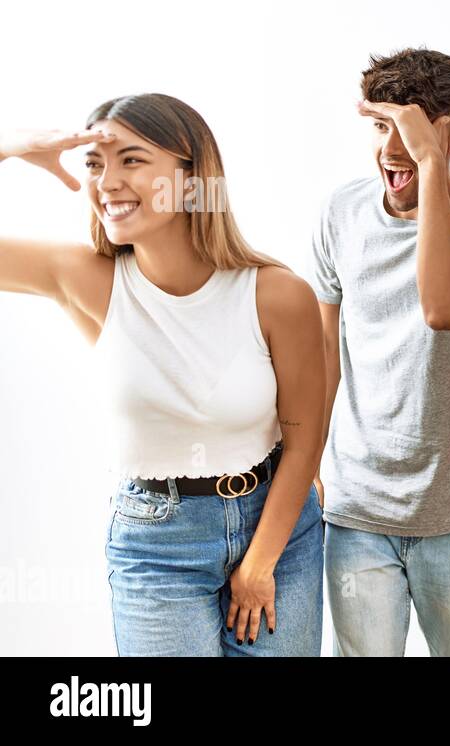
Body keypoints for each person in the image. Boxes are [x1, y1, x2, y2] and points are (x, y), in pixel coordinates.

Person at [0, 93, 326, 655]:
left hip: (279, 530)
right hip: (156, 545)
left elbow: (305, 437)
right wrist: (10, 147)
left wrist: (260, 562)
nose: (106, 182)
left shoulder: (277, 293)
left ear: (191, 176)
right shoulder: (87, 280)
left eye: (131, 159)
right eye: (96, 164)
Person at [310, 48, 450, 656]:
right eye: (381, 126)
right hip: (357, 508)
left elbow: (444, 308)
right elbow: (326, 349)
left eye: (411, 127)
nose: (392, 147)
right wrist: (308, 457)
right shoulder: (341, 211)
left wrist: (430, 166)